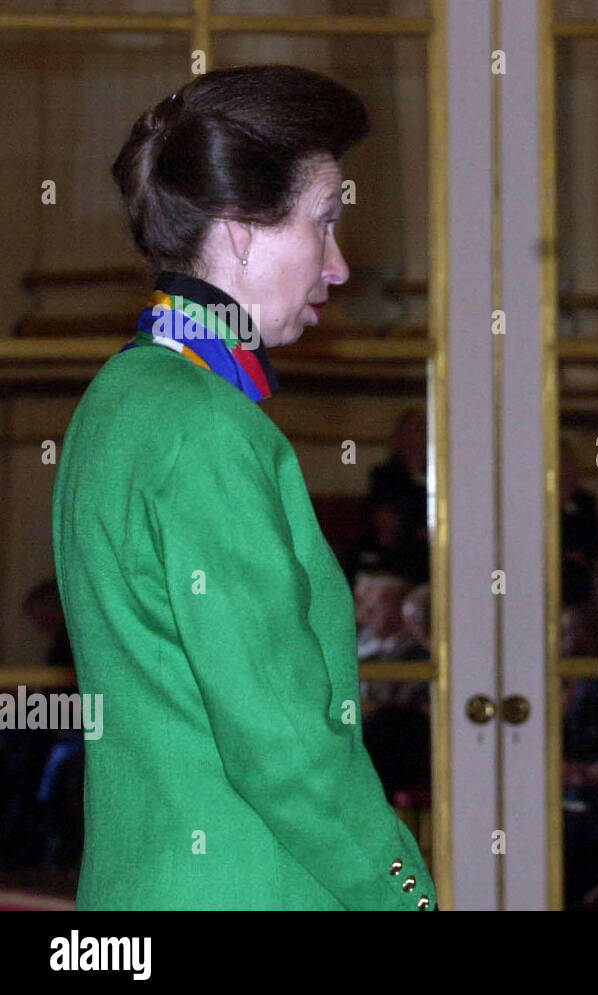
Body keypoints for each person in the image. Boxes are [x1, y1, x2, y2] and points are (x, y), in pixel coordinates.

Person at [51, 65, 433, 910]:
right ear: (236, 229)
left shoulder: (117, 400)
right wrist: (406, 892)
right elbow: (285, 746)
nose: (337, 266)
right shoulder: (207, 428)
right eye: (324, 224)